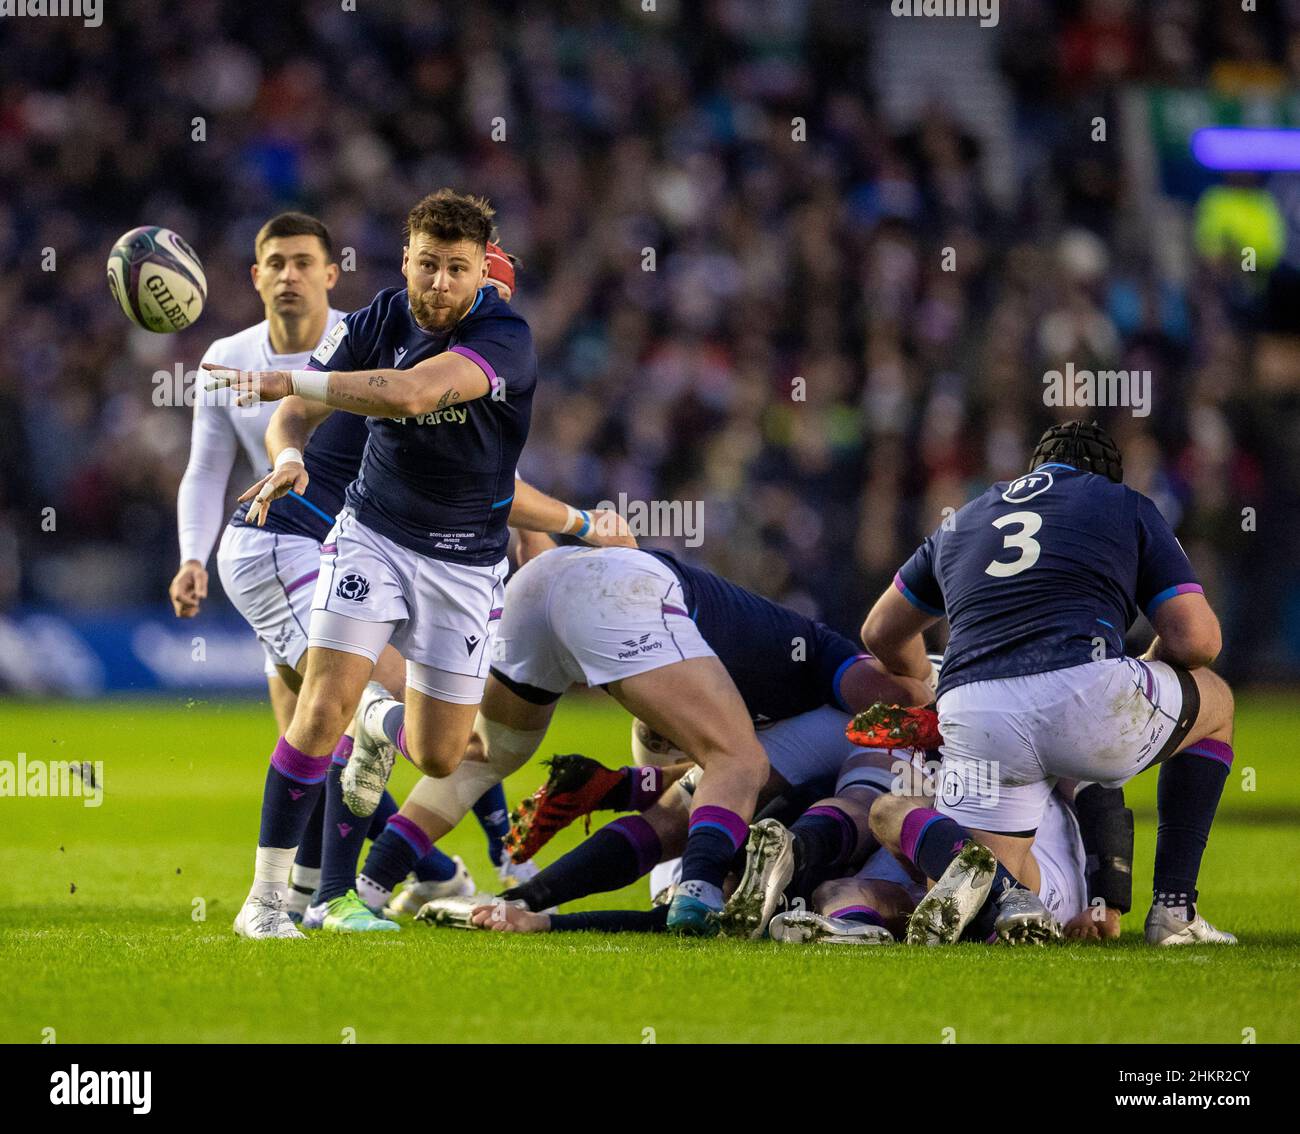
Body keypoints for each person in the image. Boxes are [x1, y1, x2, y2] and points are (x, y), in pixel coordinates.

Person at [206, 189, 539, 939]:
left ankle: (381, 728)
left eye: (457, 269)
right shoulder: (379, 318)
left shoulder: (505, 335)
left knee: (442, 754)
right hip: (373, 537)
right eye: (428, 265)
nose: (441, 285)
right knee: (321, 708)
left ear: (480, 272)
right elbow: (293, 416)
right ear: (406, 260)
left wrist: (292, 379)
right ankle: (266, 902)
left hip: (464, 563)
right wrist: (289, 453)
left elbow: (413, 395)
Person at [347, 542, 932, 934]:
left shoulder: (801, 719)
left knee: (482, 755)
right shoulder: (829, 676)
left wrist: (615, 791)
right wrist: (927, 687)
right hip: (619, 593)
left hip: (544, 582)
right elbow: (889, 696)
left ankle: (370, 884)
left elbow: (672, 800)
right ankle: (696, 893)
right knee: (735, 764)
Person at [860, 420, 1238, 946]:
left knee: (988, 890)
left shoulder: (965, 517)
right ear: (1106, 475)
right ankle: (1175, 912)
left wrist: (925, 678)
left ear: (1035, 470)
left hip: (975, 711)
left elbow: (879, 632)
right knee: (1216, 701)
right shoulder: (1124, 503)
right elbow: (1198, 641)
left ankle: (998, 898)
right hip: (1085, 692)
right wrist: (1149, 666)